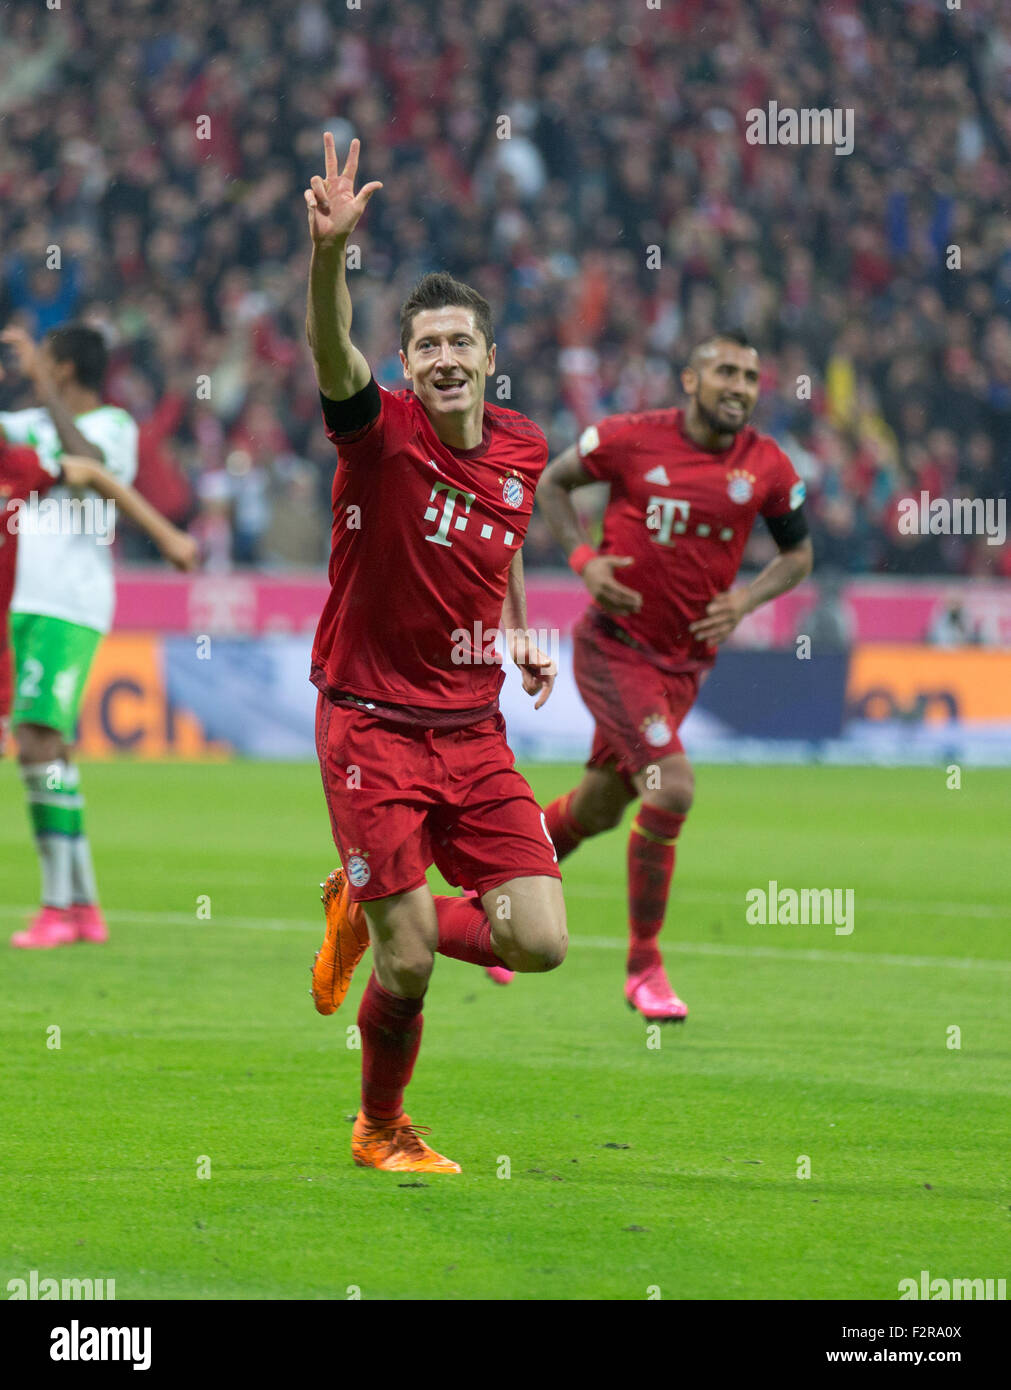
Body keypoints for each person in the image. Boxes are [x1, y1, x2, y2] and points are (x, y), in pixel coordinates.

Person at [304, 136, 566, 1174]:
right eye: (427, 346)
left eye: (463, 341)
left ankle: (369, 902)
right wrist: (330, 258)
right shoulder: (379, 433)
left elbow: (496, 536)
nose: (446, 357)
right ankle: (380, 1126)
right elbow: (332, 353)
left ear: (489, 356)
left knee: (537, 940)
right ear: (408, 362)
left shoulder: (525, 447)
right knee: (412, 957)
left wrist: (513, 625)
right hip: (368, 719)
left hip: (473, 727)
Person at [534, 332, 814, 1019]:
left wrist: (746, 600)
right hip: (613, 646)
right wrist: (582, 562)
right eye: (724, 371)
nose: (739, 386)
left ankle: (492, 888)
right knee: (672, 785)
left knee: (600, 806)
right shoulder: (630, 439)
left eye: (750, 376)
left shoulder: (768, 467)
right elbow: (552, 483)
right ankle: (643, 967)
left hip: (684, 667)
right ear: (690, 380)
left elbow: (799, 554)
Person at [0, 324, 197, 947]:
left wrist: (38, 387)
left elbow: (85, 459)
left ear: (62, 368)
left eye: (45, 363)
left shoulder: (115, 427)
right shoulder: (31, 423)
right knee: (49, 748)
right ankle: (83, 908)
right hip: (25, 603)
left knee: (34, 740)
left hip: (71, 604)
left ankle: (58, 906)